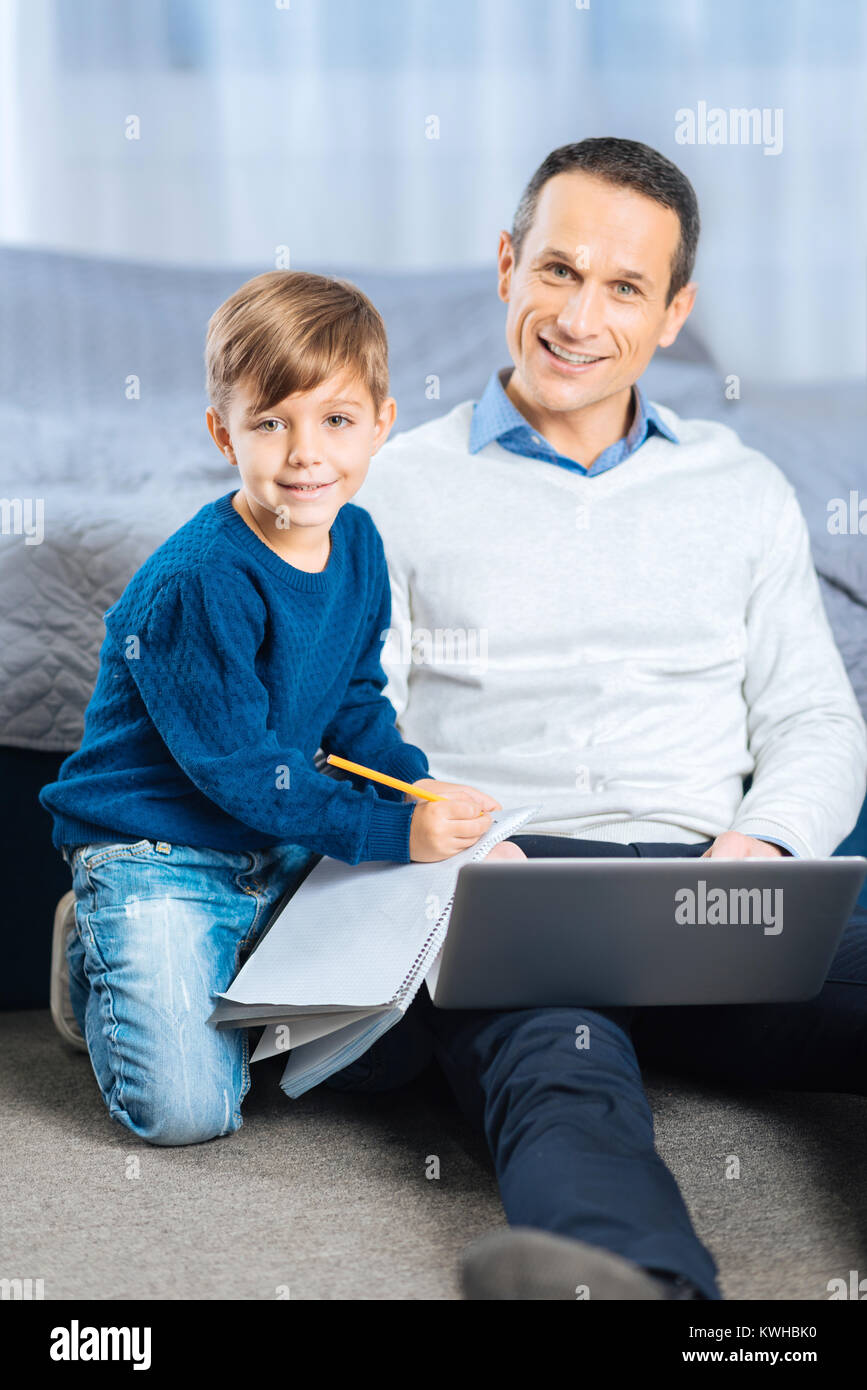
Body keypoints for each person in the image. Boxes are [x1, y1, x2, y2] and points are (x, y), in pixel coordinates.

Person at [355, 137, 867, 1300]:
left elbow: (815, 719)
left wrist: (766, 849)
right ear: (505, 265)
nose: (580, 316)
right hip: (516, 882)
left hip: (722, 879)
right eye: (558, 271)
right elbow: (359, 727)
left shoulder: (739, 486)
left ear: (675, 311)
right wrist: (470, 847)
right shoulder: (393, 483)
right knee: (561, 1072)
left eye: (625, 286)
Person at [39, 269, 519, 1148]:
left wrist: (412, 791)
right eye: (271, 423)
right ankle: (98, 945)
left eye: (335, 421)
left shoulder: (360, 544)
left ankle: (230, 963)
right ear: (225, 433)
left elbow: (351, 706)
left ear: (381, 423)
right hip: (162, 849)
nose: (305, 455)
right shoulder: (199, 582)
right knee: (189, 1113)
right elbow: (237, 770)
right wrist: (385, 835)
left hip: (277, 839)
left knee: (386, 1045)